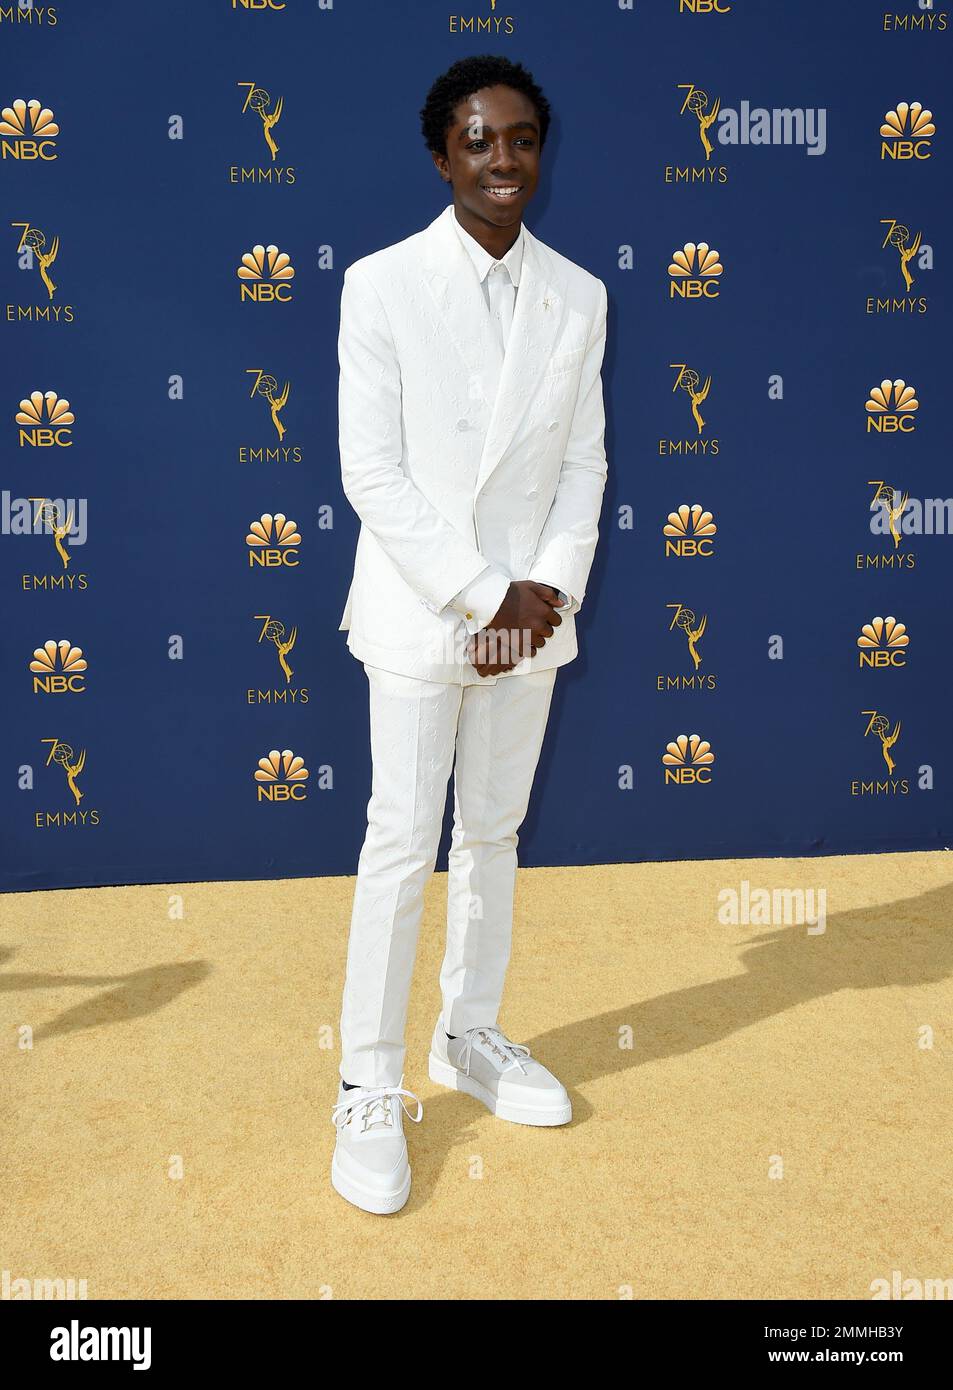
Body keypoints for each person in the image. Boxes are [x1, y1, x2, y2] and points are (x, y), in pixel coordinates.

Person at [331, 54, 609, 1214]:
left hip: (528, 621)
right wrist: (481, 598)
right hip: (420, 611)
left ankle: (470, 1033)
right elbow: (372, 473)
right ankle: (365, 1082)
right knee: (403, 839)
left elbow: (583, 462)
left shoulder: (580, 294)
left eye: (522, 139)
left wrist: (540, 594)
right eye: (479, 141)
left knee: (490, 831)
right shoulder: (381, 284)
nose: (504, 161)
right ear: (442, 154)